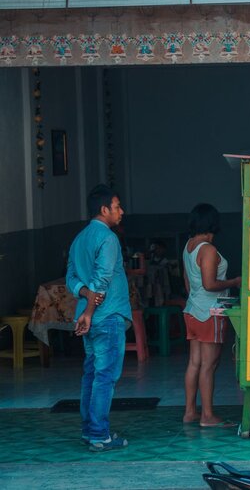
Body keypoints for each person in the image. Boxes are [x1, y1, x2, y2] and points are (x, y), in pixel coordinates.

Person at [66, 184, 131, 452]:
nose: (121, 211)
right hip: (106, 316)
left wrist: (84, 299)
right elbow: (102, 278)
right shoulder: (108, 238)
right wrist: (91, 310)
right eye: (117, 206)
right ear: (104, 209)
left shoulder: (80, 238)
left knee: (91, 374)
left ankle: (89, 429)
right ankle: (99, 434)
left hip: (89, 316)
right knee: (105, 376)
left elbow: (72, 276)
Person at [182, 203, 241, 427]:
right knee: (209, 365)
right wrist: (234, 282)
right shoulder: (208, 250)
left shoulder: (188, 247)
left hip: (192, 311)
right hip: (210, 313)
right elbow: (209, 284)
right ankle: (207, 416)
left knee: (194, 363)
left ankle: (190, 412)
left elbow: (189, 285)